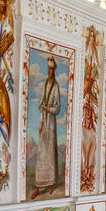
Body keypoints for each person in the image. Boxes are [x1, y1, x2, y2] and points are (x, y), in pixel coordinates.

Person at [32, 56, 62, 198]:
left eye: (50, 69)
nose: (49, 71)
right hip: (44, 122)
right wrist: (40, 121)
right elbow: (41, 102)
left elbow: (58, 107)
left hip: (51, 123)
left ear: (54, 71)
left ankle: (50, 184)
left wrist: (48, 109)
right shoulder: (44, 84)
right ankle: (38, 186)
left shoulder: (55, 86)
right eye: (48, 69)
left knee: (49, 153)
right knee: (41, 154)